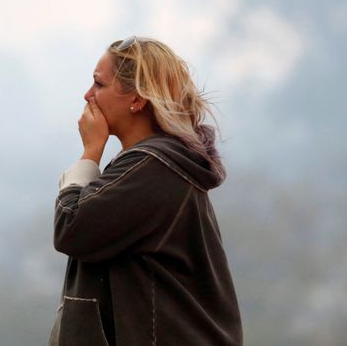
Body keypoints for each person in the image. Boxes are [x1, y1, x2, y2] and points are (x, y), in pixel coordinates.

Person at [49, 36, 242, 346]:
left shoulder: (154, 167)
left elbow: (71, 228)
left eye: (99, 85)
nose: (87, 96)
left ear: (137, 100)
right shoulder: (149, 164)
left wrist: (90, 153)